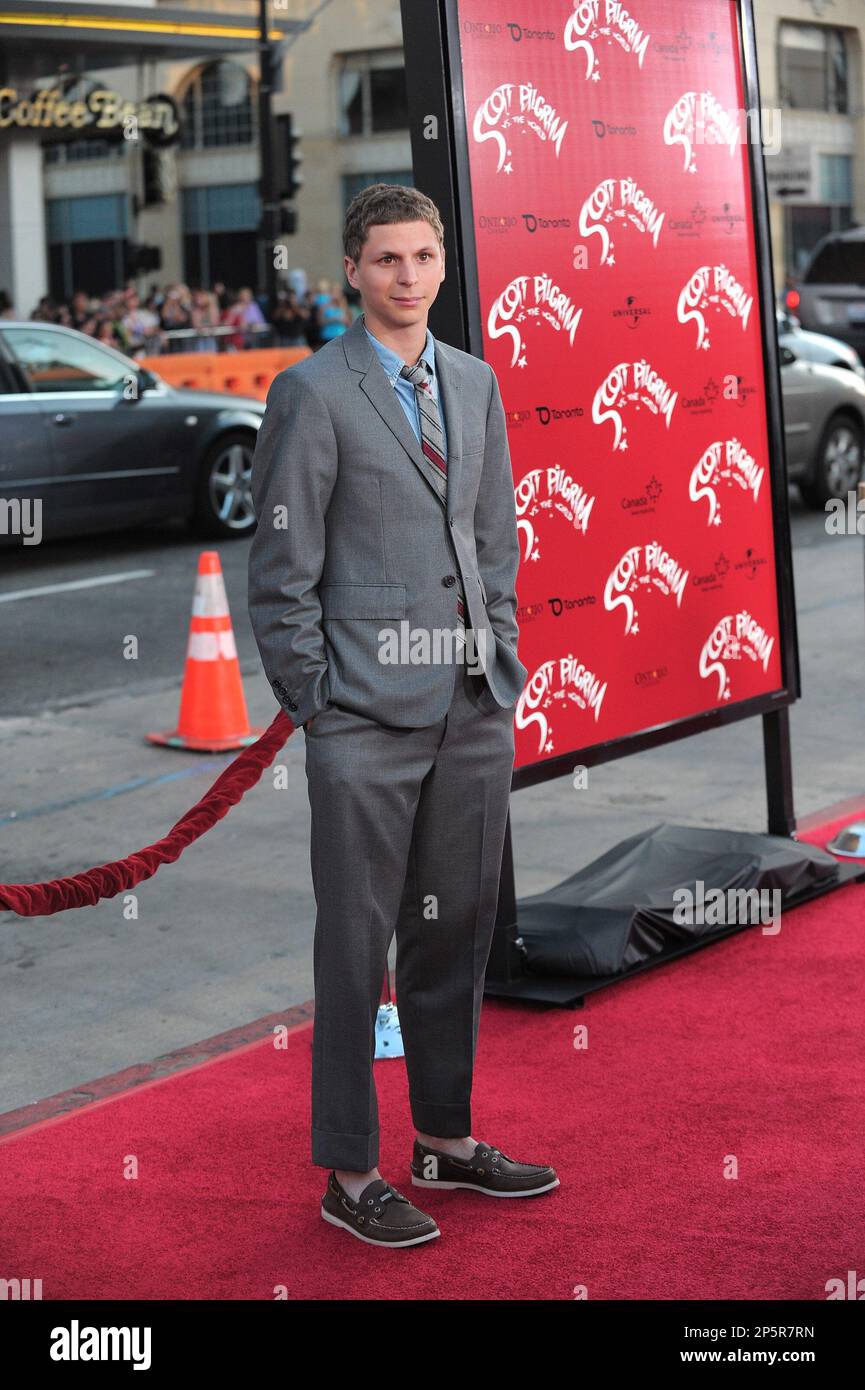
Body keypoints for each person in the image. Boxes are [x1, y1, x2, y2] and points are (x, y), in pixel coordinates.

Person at [247, 182, 559, 1249]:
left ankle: (446, 1139)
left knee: (455, 934)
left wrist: (500, 651)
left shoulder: (473, 383)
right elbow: (282, 568)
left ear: (442, 265)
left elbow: (494, 536)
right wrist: (318, 705)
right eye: (387, 258)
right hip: (363, 721)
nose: (408, 276)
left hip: (471, 703)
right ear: (352, 271)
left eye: (423, 257)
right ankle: (348, 1171)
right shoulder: (312, 392)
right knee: (355, 948)